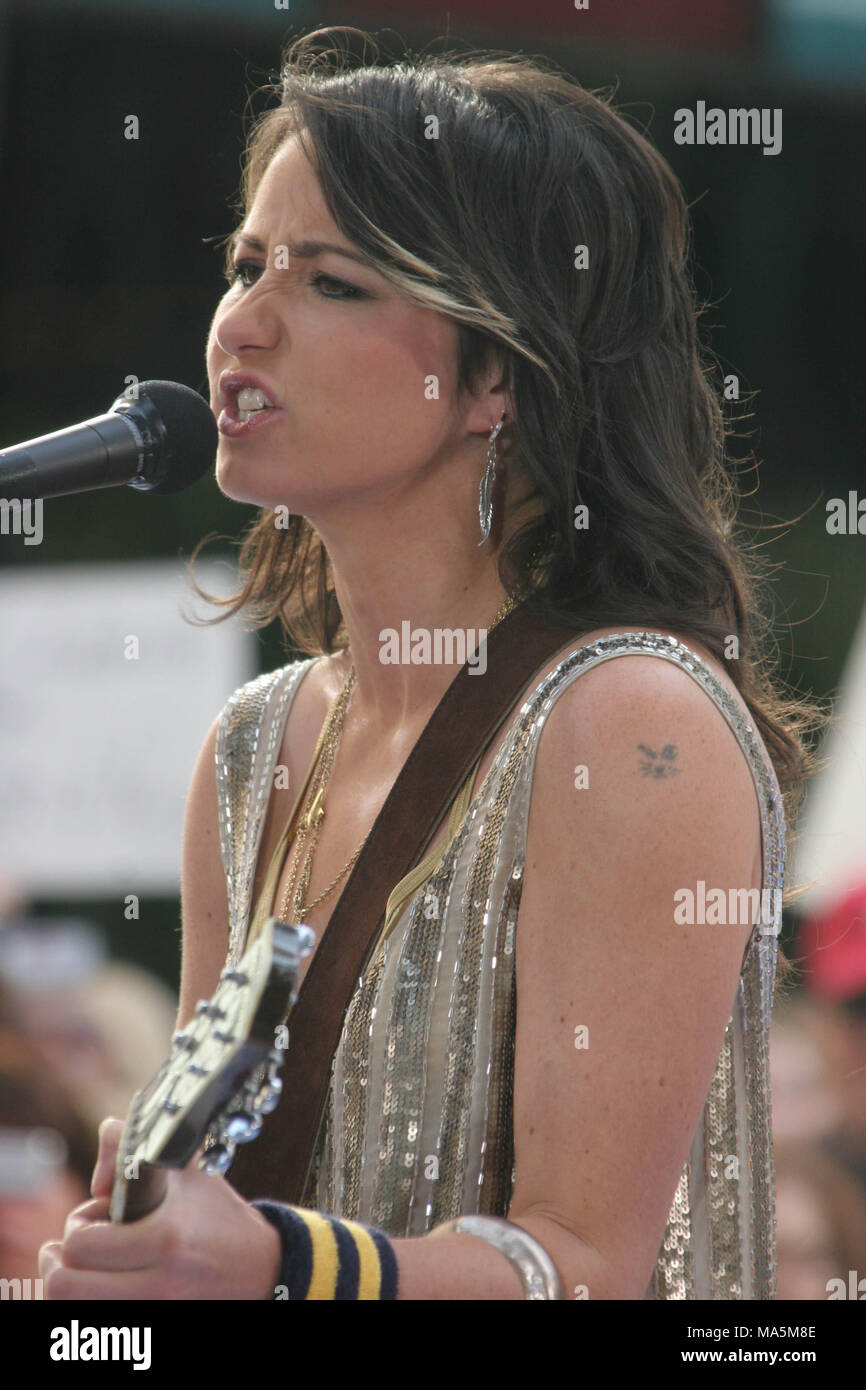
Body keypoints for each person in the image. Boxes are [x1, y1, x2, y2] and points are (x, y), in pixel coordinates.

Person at [39, 25, 821, 1300]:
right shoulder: (254, 743)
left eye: (330, 282)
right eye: (246, 265)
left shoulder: (627, 725)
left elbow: (588, 1271)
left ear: (494, 374)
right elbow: (204, 1216)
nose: (243, 320)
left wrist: (284, 1264)